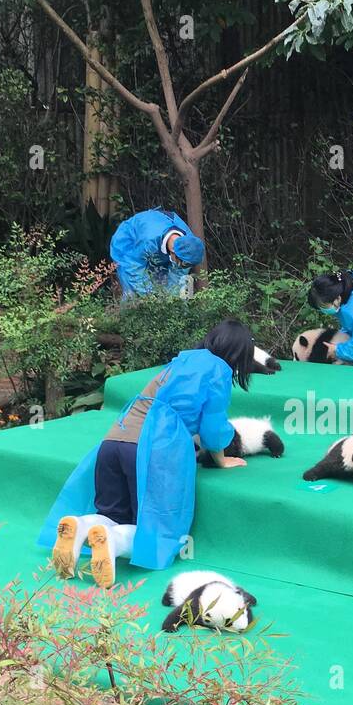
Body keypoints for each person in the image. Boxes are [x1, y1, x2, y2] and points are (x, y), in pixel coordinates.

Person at [40, 320, 253, 586]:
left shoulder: (179, 362)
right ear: (238, 353)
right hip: (152, 448)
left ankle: (81, 525)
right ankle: (114, 543)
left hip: (114, 440)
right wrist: (222, 459)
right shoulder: (218, 371)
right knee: (159, 529)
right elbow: (213, 427)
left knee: (112, 514)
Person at [109, 208, 206, 297]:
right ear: (173, 252)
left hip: (158, 247)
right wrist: (151, 296)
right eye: (185, 264)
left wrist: (172, 300)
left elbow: (178, 275)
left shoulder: (190, 246)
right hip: (128, 243)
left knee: (169, 288)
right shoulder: (149, 241)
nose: (186, 266)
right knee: (133, 291)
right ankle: (127, 313)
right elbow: (135, 269)